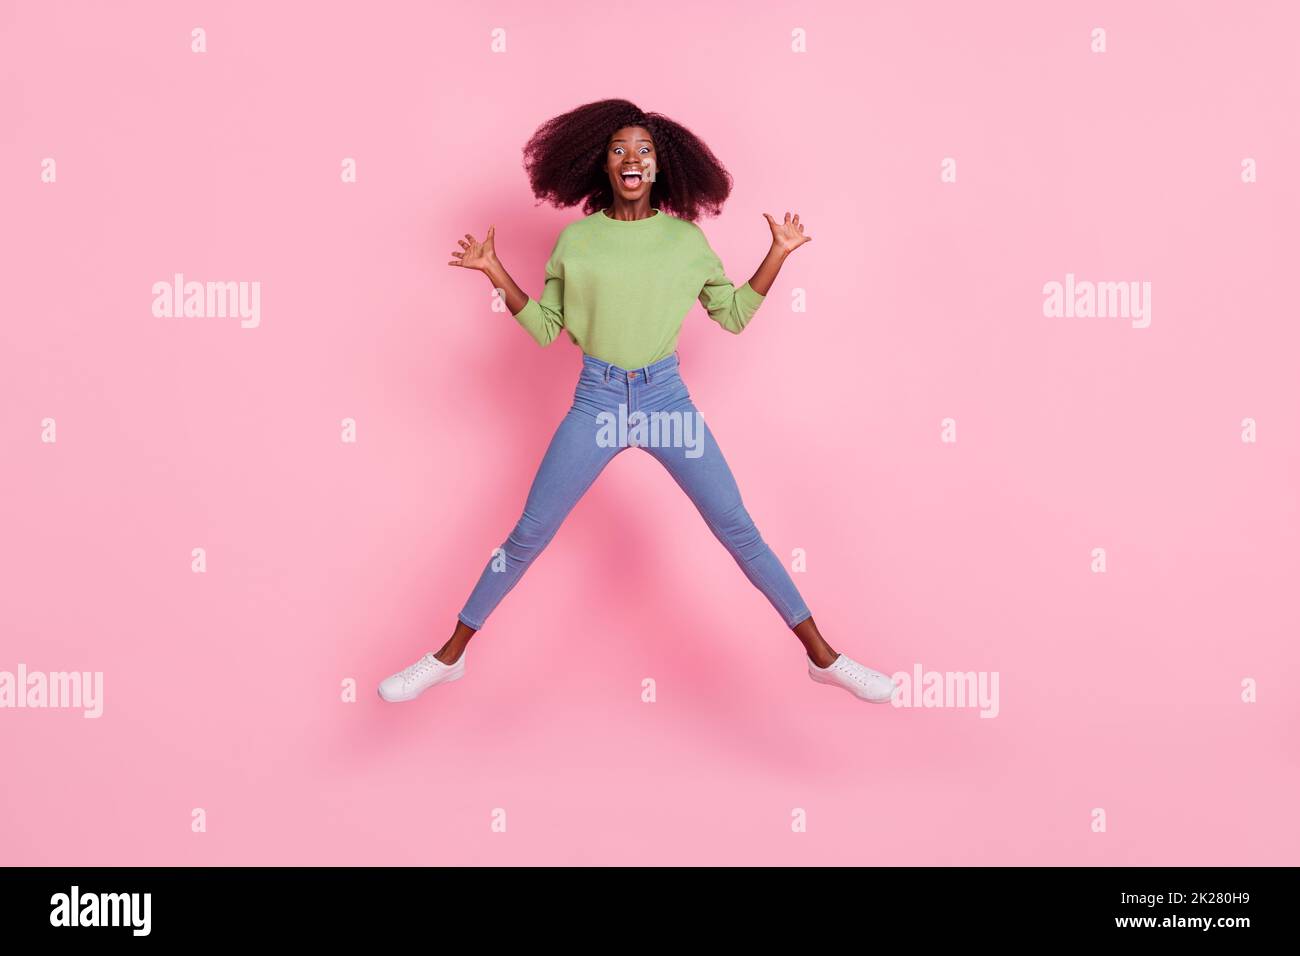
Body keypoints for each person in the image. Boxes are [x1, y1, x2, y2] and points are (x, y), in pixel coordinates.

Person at [379, 99, 895, 705]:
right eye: (619, 149)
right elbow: (548, 327)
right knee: (527, 536)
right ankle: (448, 657)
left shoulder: (685, 240)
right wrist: (494, 269)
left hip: (665, 402)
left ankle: (824, 659)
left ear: (660, 167)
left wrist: (777, 255)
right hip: (596, 402)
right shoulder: (578, 240)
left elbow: (730, 316)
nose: (632, 158)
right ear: (602, 164)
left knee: (739, 531)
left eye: (644, 151)